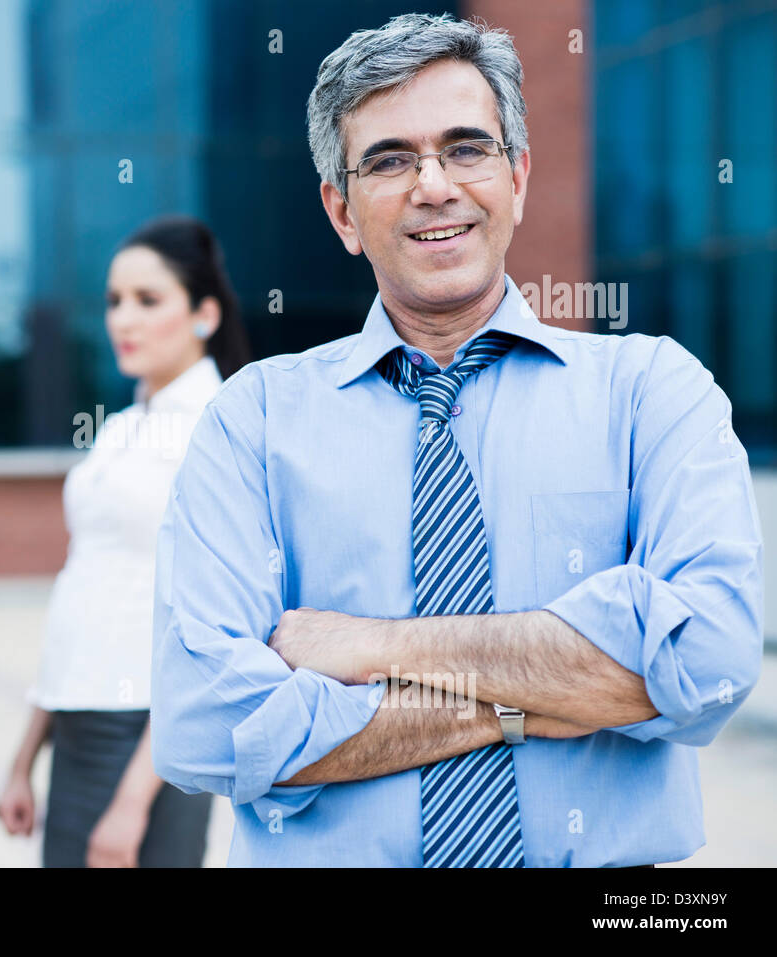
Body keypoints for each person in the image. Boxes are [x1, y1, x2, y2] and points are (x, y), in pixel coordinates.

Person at [150, 13, 764, 867]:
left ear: (517, 177)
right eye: (390, 160)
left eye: (467, 148)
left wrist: (374, 647)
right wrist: (541, 694)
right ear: (342, 211)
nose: (433, 186)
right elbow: (206, 725)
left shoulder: (651, 392)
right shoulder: (250, 421)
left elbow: (710, 661)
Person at [0, 216, 253, 867]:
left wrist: (134, 801)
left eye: (147, 300)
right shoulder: (120, 428)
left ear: (204, 314)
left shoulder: (219, 429)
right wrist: (24, 759)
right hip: (76, 720)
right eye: (113, 301)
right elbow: (81, 587)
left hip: (149, 734)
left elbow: (214, 630)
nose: (122, 320)